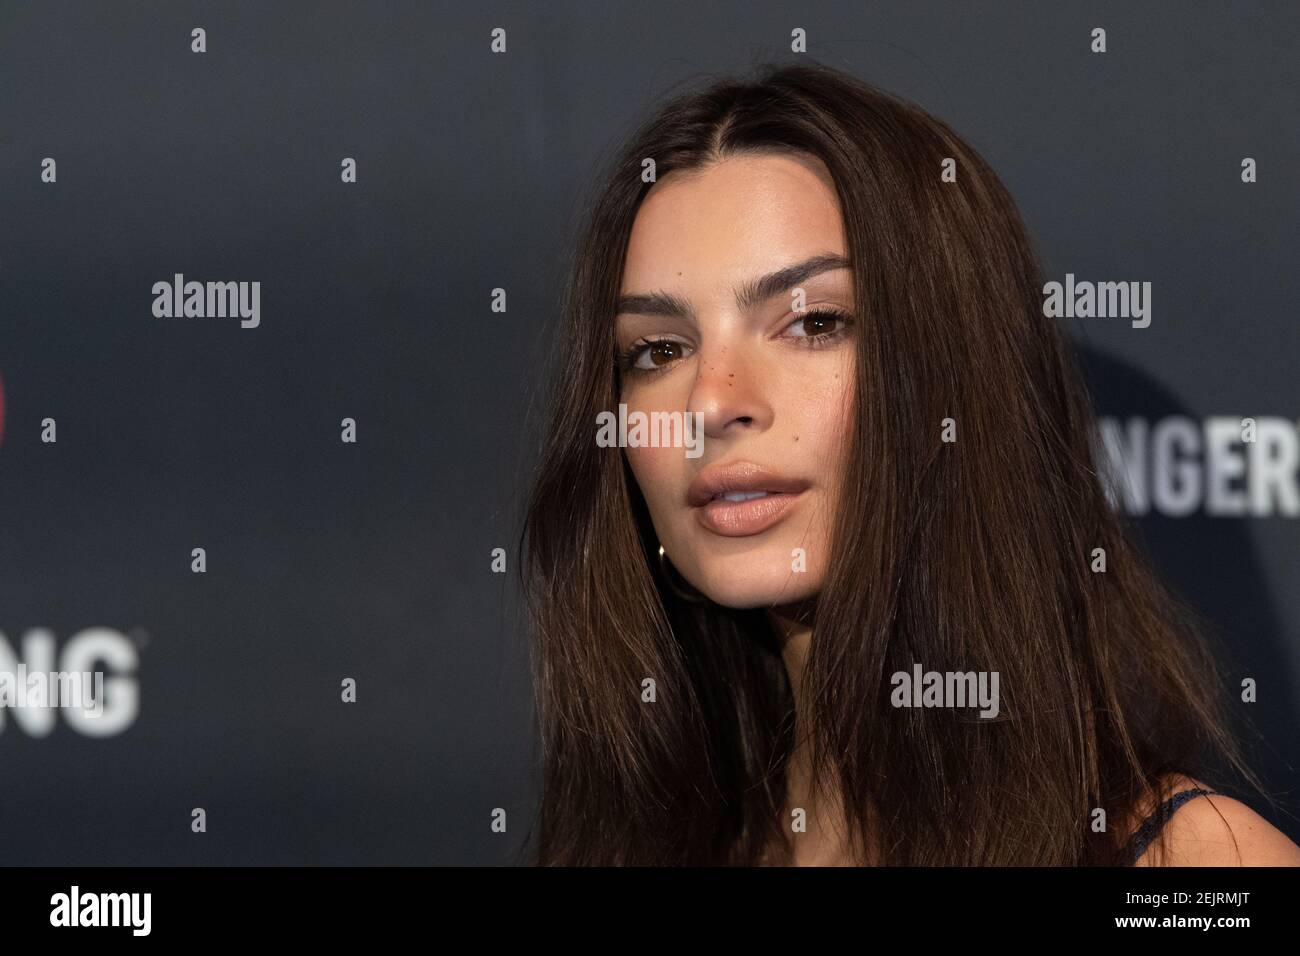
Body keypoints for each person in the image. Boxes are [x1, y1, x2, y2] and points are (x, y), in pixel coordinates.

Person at [521, 60, 1300, 866]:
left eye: (814, 323)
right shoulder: (634, 844)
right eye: (658, 349)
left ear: (953, 380)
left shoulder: (1195, 866)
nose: (710, 404)